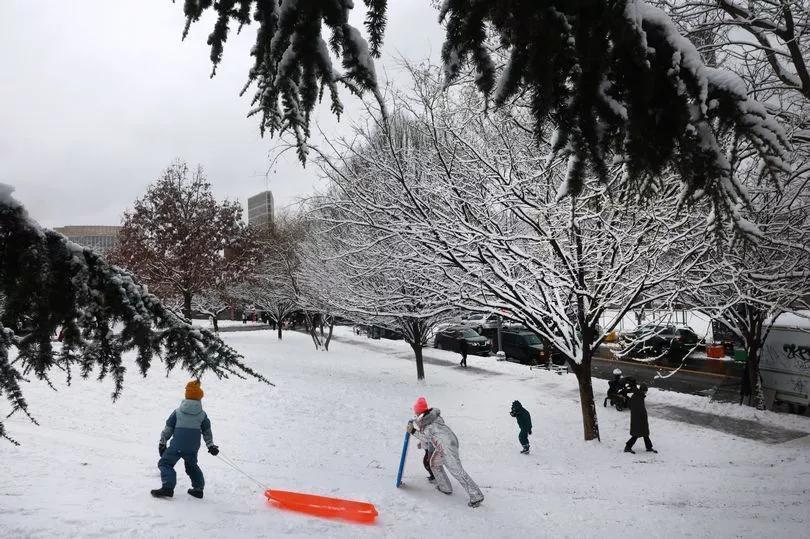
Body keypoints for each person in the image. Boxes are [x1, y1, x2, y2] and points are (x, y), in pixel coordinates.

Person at [408, 396, 484, 507]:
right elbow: (427, 430)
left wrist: (412, 431)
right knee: (434, 463)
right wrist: (415, 422)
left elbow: (426, 437)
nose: (415, 413)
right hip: (445, 444)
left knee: (457, 471)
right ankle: (445, 487)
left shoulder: (429, 425)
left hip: (447, 447)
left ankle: (476, 496)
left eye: (416, 412)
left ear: (420, 412)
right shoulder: (432, 417)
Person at [151, 380, 219, 499]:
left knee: (165, 463)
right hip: (193, 447)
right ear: (199, 397)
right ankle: (198, 489)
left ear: (186, 394)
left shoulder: (177, 412)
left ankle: (168, 487)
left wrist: (163, 442)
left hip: (177, 445)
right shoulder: (202, 415)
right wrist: (211, 446)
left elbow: (168, 428)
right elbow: (207, 431)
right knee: (192, 466)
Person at [624, 384, 657, 454]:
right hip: (638, 419)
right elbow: (637, 408)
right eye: (645, 391)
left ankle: (649, 447)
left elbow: (630, 405)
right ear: (642, 390)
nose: (646, 393)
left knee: (645, 433)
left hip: (639, 418)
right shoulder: (638, 396)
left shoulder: (638, 396)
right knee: (636, 433)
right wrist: (641, 415)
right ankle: (628, 447)